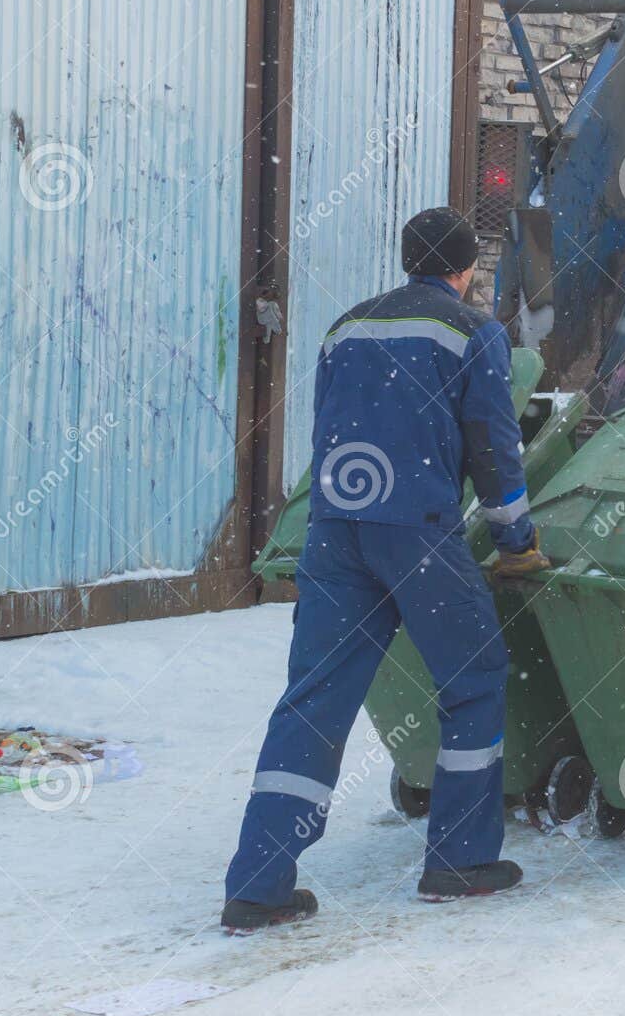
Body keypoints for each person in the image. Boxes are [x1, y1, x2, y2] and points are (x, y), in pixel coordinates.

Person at [222, 206, 551, 932]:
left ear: (408, 260)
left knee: (313, 699)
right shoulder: (472, 332)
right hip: (421, 535)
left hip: (337, 532)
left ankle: (257, 882)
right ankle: (460, 860)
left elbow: (328, 434)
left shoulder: (346, 327)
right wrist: (516, 539)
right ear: (466, 270)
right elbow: (494, 450)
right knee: (474, 679)